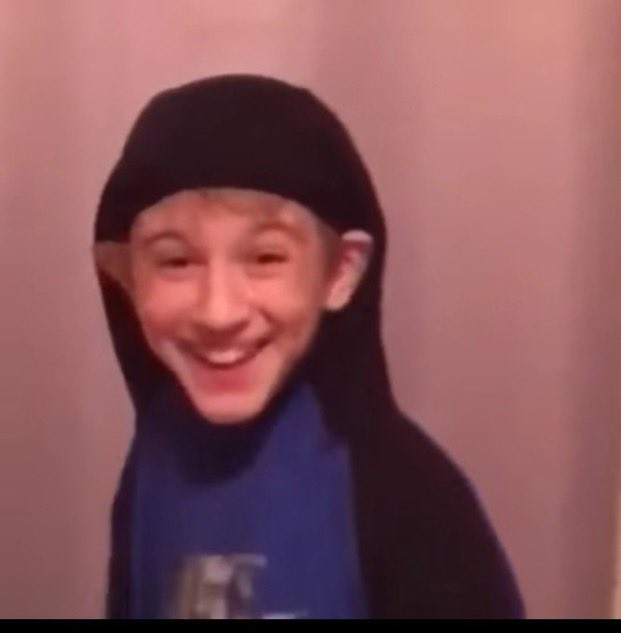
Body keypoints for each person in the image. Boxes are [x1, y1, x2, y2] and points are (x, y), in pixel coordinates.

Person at [93, 74, 524, 619]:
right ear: (123, 275)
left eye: (266, 258)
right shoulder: (153, 464)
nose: (218, 312)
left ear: (340, 272)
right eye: (176, 261)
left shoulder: (404, 494)